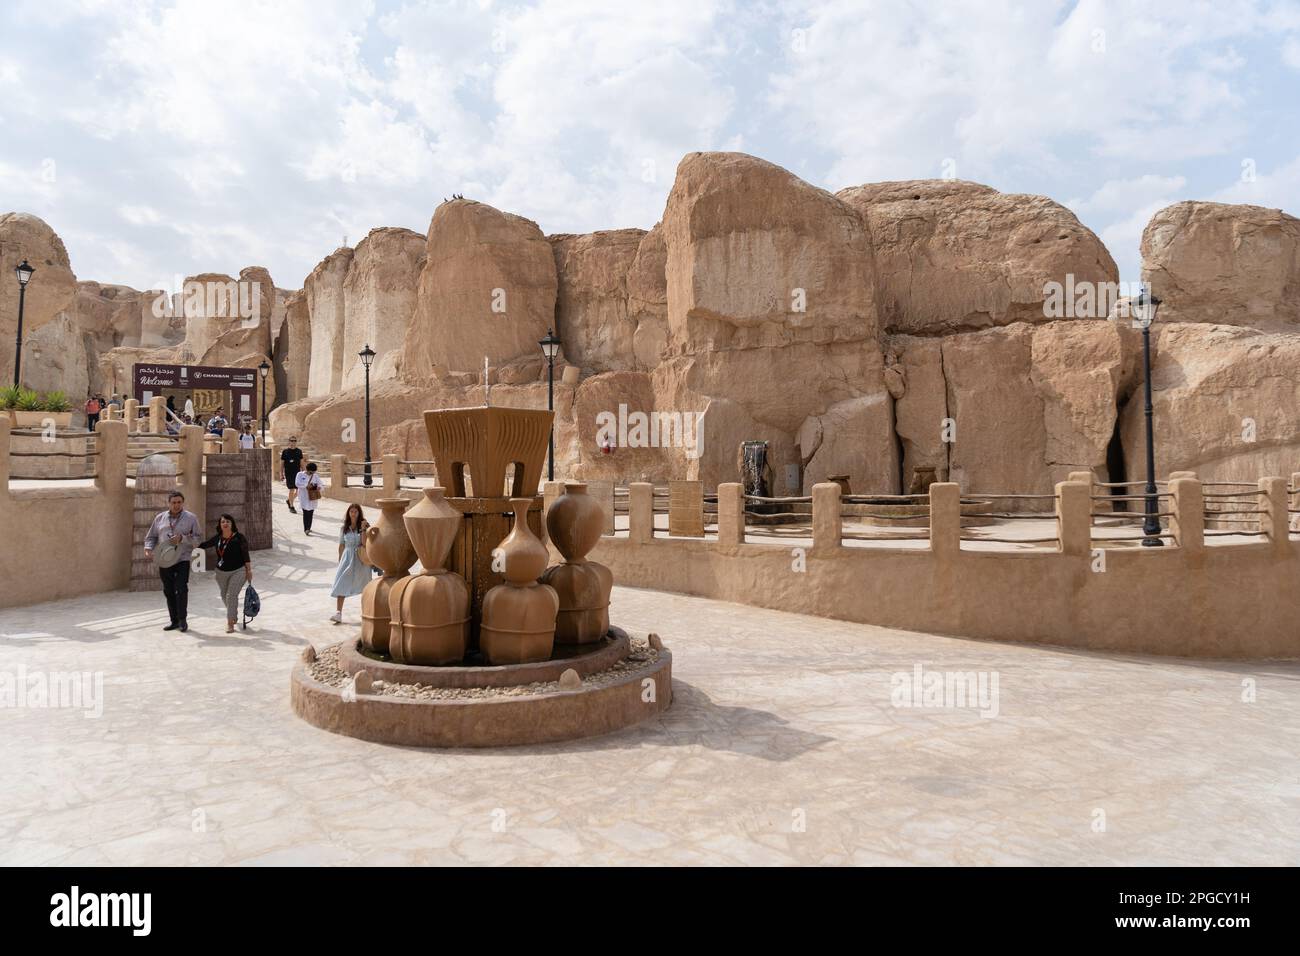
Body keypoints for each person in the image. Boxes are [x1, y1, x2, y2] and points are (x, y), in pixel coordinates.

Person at [143, 490, 201, 632]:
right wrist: (148, 548)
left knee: (181, 588)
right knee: (168, 590)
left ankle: (182, 620)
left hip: (183, 559)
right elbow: (151, 537)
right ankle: (174, 621)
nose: (176, 505)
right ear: (169, 503)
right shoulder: (160, 518)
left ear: (183, 503)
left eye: (179, 502)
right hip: (165, 558)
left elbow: (198, 539)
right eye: (173, 502)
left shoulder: (191, 518)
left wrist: (183, 539)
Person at [198, 514, 253, 634]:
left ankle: (230, 623)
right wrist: (189, 545)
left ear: (232, 524)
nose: (225, 523)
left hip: (238, 571)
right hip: (221, 572)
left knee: (231, 595)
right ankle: (233, 614)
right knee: (224, 595)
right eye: (223, 522)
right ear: (220, 525)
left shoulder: (239, 538)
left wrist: (249, 570)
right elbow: (204, 545)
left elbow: (246, 555)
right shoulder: (218, 538)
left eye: (228, 521)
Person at [329, 504, 370, 623]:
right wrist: (340, 560)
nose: (353, 514)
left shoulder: (364, 527)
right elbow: (341, 545)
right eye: (351, 511)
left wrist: (363, 528)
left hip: (360, 558)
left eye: (355, 512)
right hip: (347, 558)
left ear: (359, 513)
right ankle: (338, 613)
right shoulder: (344, 528)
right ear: (348, 513)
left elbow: (364, 543)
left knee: (364, 586)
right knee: (341, 582)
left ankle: (366, 613)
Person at [295, 461, 323, 534]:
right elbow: (297, 483)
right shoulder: (300, 474)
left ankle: (308, 528)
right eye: (311, 472)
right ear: (307, 470)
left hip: (312, 496)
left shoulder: (315, 475)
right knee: (305, 512)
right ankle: (306, 529)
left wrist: (319, 487)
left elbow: (321, 484)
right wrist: (306, 485)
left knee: (311, 512)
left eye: (313, 472)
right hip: (303, 496)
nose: (312, 474)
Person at [281, 436, 303, 513]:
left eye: (294, 441)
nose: (293, 442)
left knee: (299, 490)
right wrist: (282, 474)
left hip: (298, 473)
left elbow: (301, 462)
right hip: (289, 473)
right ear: (289, 441)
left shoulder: (299, 451)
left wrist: (304, 472)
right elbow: (282, 464)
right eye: (292, 441)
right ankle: (291, 506)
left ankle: (289, 500)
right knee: (292, 489)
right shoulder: (285, 452)